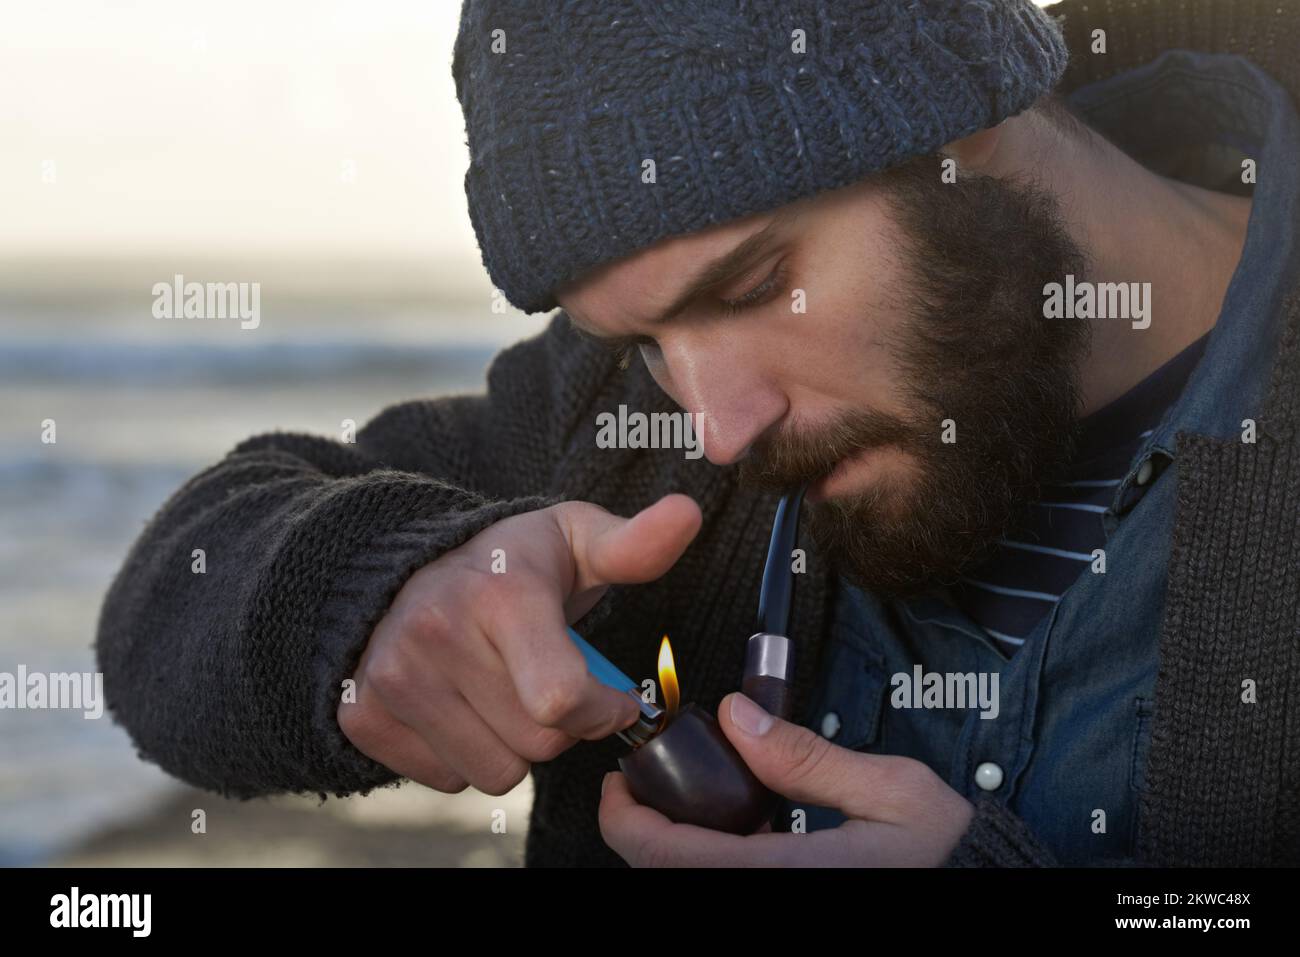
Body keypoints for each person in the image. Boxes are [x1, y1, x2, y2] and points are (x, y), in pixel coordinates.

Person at [96, 0, 1300, 867]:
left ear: (971, 126)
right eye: (645, 341)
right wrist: (377, 594)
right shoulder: (621, 420)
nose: (717, 428)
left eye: (749, 286)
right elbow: (174, 606)